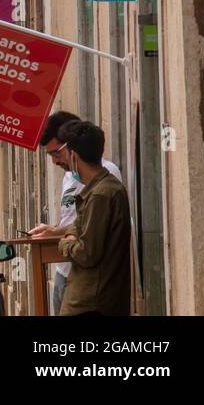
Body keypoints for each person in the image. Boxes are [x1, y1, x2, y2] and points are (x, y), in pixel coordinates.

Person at [28, 111, 122, 314]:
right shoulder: (76, 179)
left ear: (73, 151)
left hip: (91, 289)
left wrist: (66, 241)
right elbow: (77, 223)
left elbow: (88, 249)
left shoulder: (102, 189)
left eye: (56, 153)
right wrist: (55, 231)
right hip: (68, 274)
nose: (55, 161)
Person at [52, 120, 131, 316]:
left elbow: (87, 253)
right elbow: (75, 227)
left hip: (91, 304)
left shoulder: (101, 194)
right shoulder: (97, 189)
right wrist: (71, 235)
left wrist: (65, 244)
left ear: (73, 155)